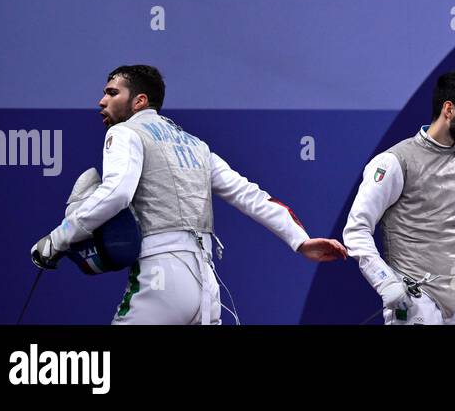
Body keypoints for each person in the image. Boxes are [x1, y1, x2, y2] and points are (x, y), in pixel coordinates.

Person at [30, 64, 347, 324]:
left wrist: (57, 239)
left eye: (112, 93)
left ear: (139, 101)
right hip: (207, 286)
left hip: (161, 279)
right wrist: (300, 240)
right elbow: (249, 194)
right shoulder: (196, 145)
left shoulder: (124, 133)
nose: (102, 101)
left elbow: (116, 194)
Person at [344, 70, 455, 325]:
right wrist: (386, 282)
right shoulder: (395, 161)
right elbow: (356, 230)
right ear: (449, 109)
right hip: (415, 299)